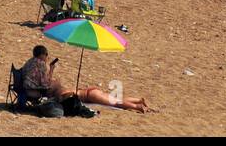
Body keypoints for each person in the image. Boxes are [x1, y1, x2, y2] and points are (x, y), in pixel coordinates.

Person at [21, 44, 150, 112]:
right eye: (47, 55)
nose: (47, 57)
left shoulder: (63, 94)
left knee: (116, 102)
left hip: (90, 94)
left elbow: (48, 86)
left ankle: (138, 105)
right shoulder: (63, 92)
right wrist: (52, 75)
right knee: (115, 100)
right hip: (90, 92)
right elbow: (46, 84)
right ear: (43, 54)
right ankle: (138, 102)